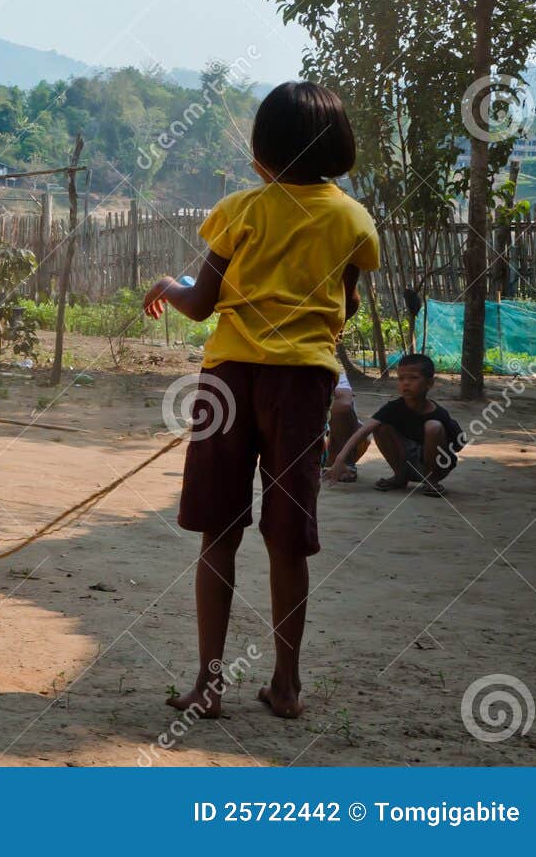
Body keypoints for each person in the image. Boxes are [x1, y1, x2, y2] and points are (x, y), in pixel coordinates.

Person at [143, 80, 379, 721]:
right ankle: (286, 686)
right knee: (287, 537)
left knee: (218, 532)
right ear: (339, 150)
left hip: (230, 380)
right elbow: (346, 305)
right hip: (303, 384)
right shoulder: (353, 220)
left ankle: (208, 686)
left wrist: (171, 283)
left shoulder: (240, 210)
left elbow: (202, 305)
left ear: (262, 155)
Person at [327, 353, 463, 496]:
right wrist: (340, 459)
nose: (406, 383)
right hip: (407, 463)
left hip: (437, 467)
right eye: (401, 378)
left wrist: (437, 445)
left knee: (433, 427)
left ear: (429, 383)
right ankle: (400, 476)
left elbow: (459, 443)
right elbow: (364, 431)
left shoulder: (440, 414)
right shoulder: (394, 408)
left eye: (413, 378)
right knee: (380, 426)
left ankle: (432, 481)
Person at [326, 368, 368, 480]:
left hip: (331, 442)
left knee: (342, 409)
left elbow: (343, 405)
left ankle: (344, 462)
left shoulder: (331, 368)